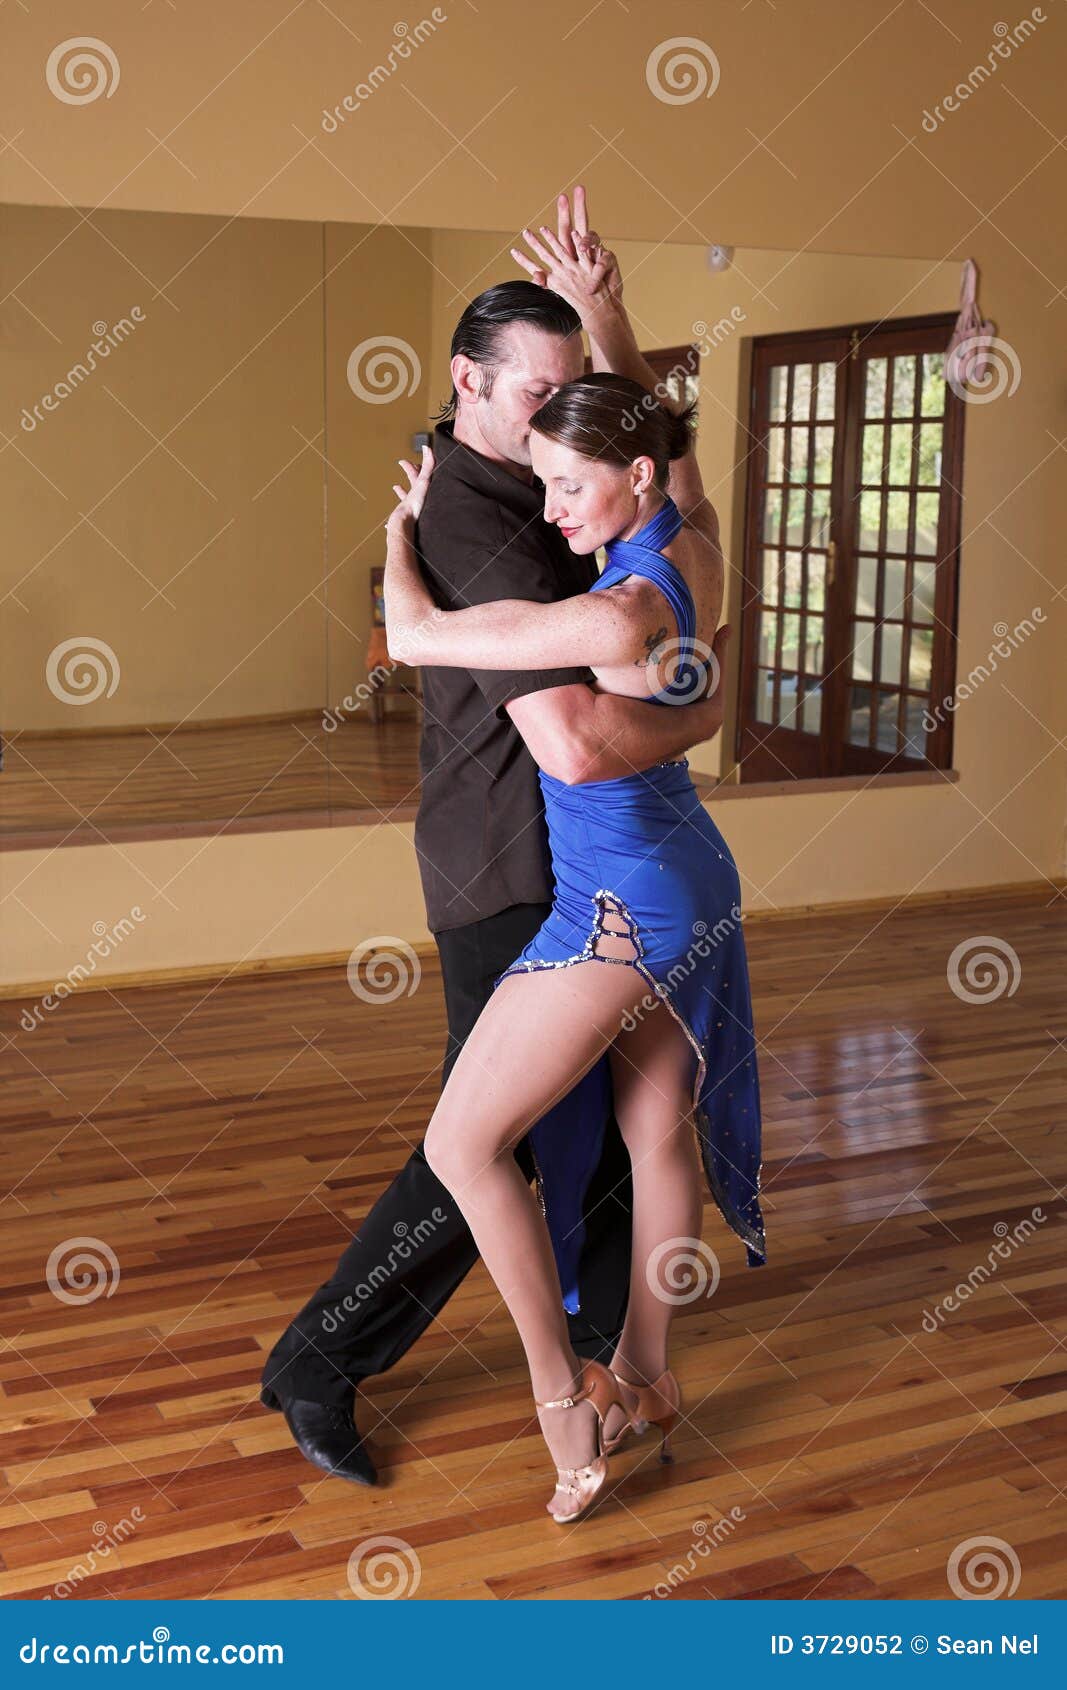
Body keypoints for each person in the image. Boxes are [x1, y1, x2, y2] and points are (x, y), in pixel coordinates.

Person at [259, 189, 731, 1488]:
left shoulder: (560, 479)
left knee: (602, 1128)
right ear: (469, 384)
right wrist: (696, 715)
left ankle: (620, 1374)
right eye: (541, 395)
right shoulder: (476, 515)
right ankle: (325, 1355)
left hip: (597, 864)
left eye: (576, 394)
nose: (561, 421)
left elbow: (653, 462)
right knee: (492, 1141)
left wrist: (607, 317)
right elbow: (580, 736)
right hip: (509, 864)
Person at [382, 214, 765, 1524]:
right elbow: (666, 433)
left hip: (624, 899)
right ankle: (650, 1375)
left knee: (463, 1138)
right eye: (539, 480)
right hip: (693, 871)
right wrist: (611, 308)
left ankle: (566, 1405)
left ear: (634, 480)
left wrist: (403, 536)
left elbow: (423, 635)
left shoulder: (611, 606)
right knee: (657, 1124)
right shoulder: (691, 528)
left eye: (568, 488)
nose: (550, 513)